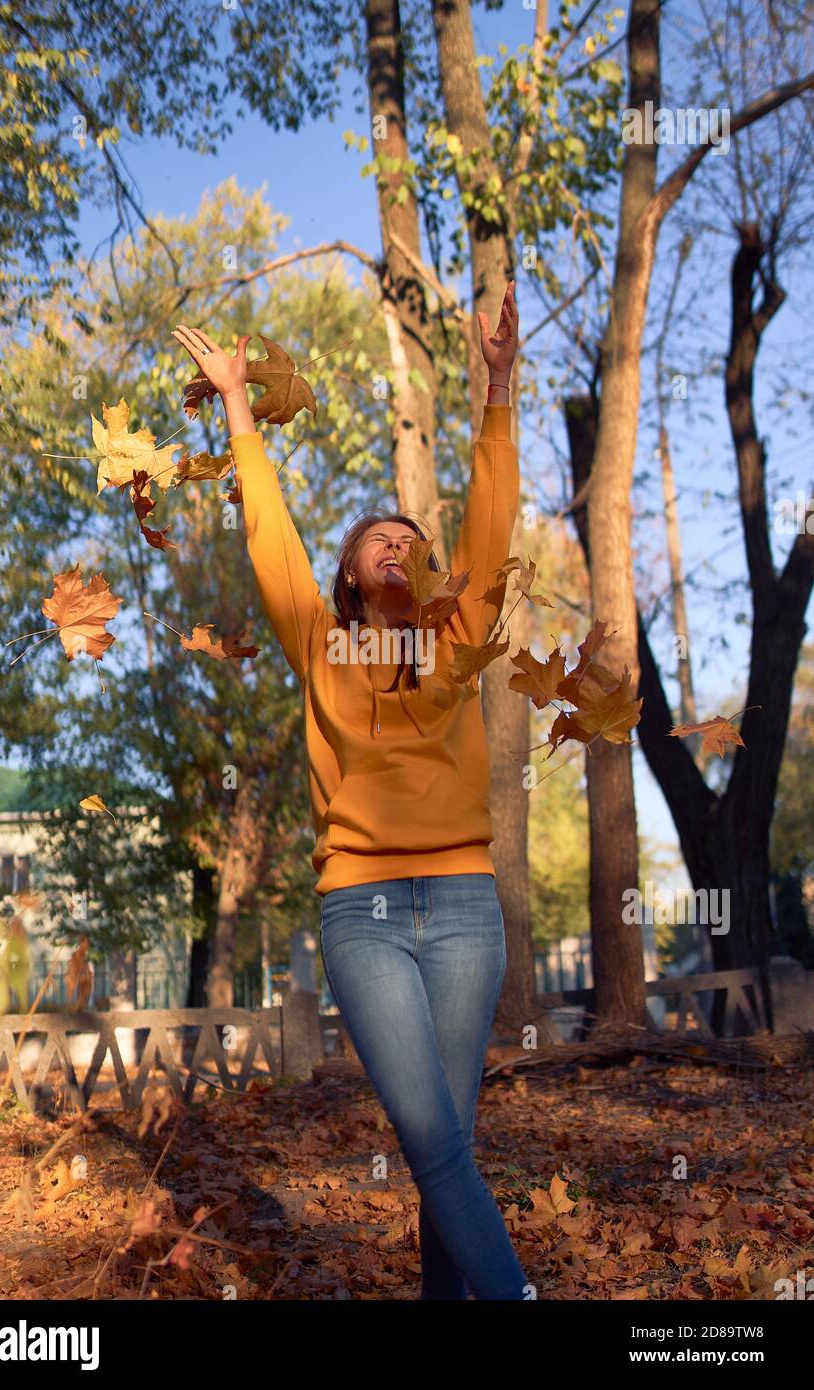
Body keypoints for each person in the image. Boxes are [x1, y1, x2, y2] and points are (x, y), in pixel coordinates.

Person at [171, 281, 527, 1300]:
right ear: (347, 574)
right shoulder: (320, 643)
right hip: (361, 909)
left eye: (411, 537)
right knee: (430, 1138)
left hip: (465, 906)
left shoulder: (455, 638)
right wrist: (238, 408)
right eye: (378, 537)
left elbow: (492, 522)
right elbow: (270, 541)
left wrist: (498, 389)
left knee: (447, 1151)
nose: (397, 542)